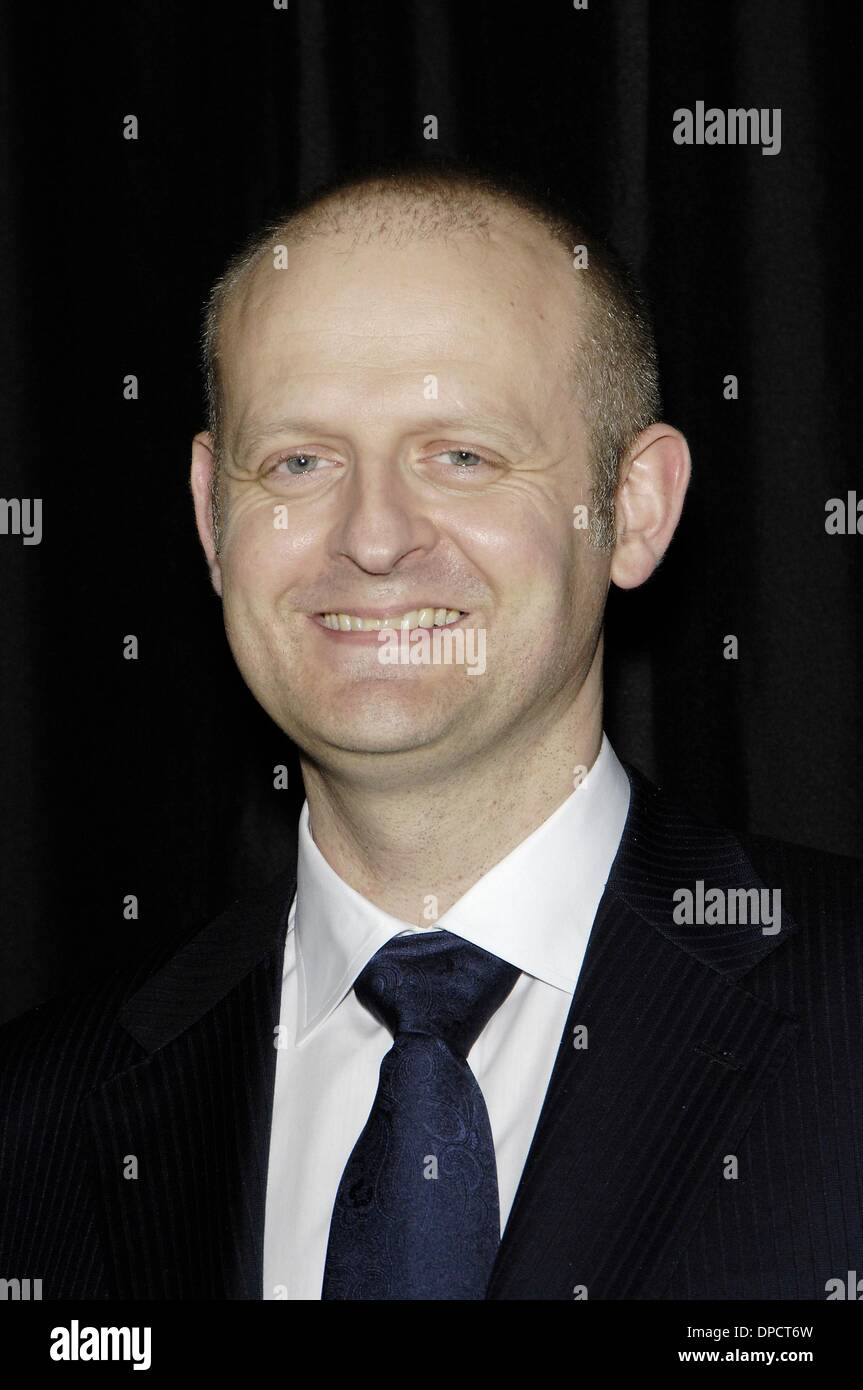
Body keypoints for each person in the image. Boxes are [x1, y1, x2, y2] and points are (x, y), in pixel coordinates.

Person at [1, 161, 860, 1301]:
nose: (371, 535)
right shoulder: (35, 1125)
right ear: (213, 515)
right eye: (299, 461)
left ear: (634, 508)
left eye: (460, 455)